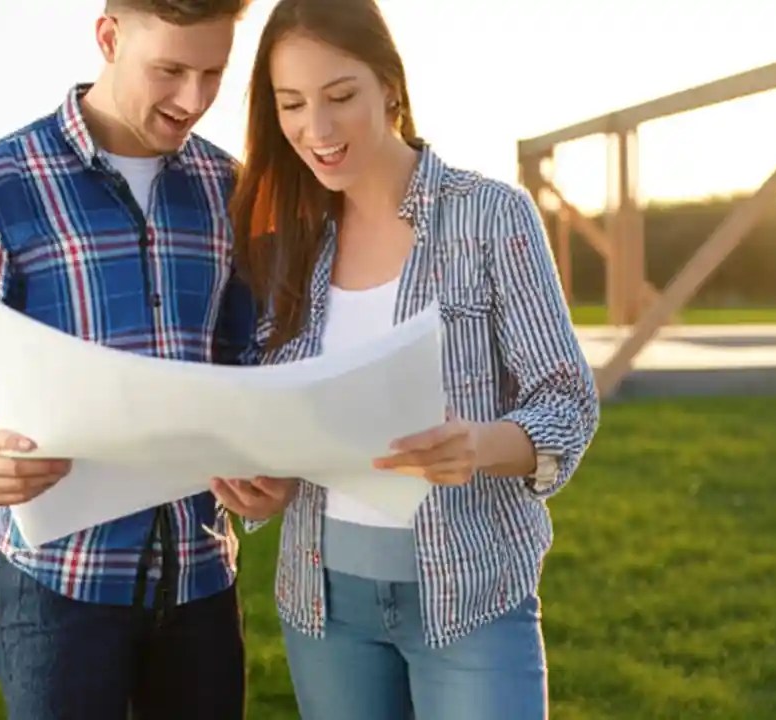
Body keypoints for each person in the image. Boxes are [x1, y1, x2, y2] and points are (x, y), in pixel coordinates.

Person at [209, 0, 601, 717]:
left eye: (340, 97)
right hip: (325, 608)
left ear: (390, 84)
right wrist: (273, 484)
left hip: (471, 599)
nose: (316, 131)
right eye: (291, 104)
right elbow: (290, 418)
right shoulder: (285, 238)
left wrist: (478, 446)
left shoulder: (489, 216)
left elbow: (566, 400)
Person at [0, 1, 256, 718]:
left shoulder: (233, 189)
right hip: (59, 590)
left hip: (203, 582)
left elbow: (245, 360)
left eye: (214, 72)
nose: (193, 99)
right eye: (170, 70)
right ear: (108, 36)